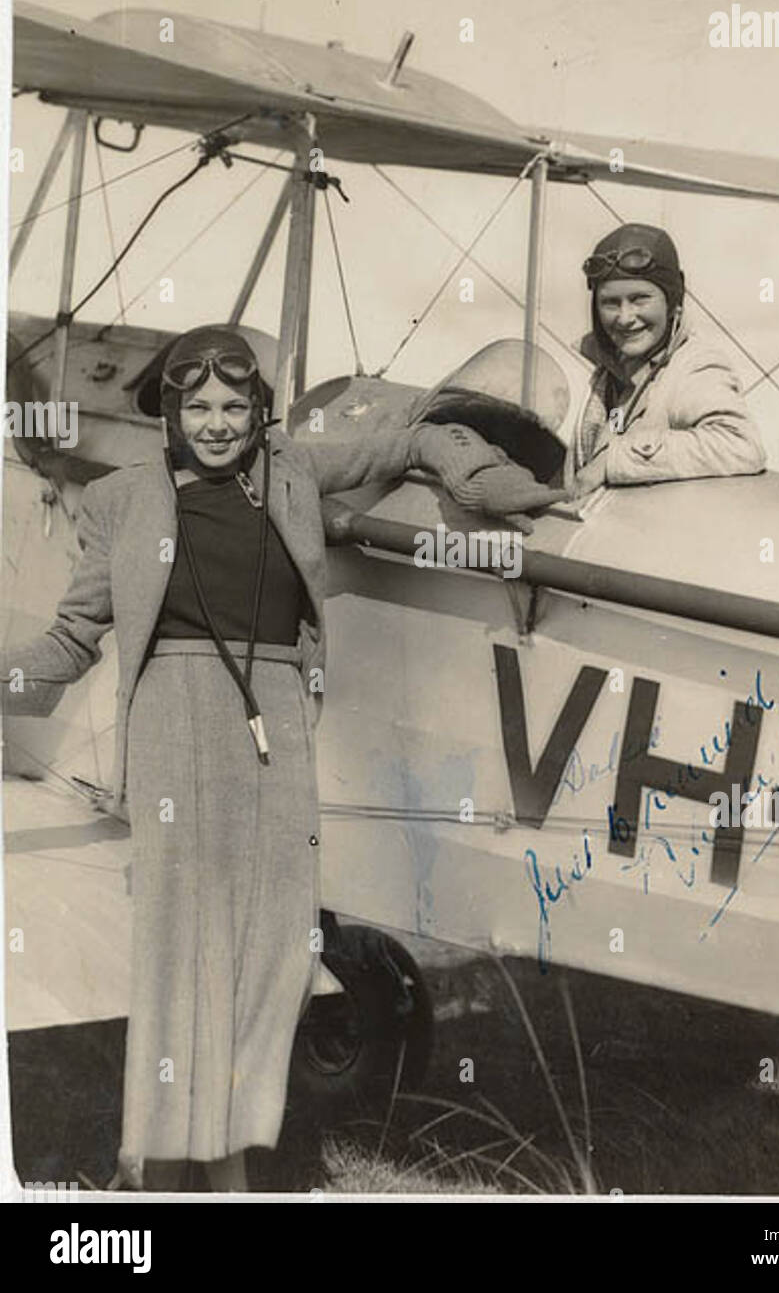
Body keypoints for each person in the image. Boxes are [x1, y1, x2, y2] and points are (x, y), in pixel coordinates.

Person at [0, 324, 563, 1192]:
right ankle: (152, 1165)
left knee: (272, 961)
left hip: (276, 732)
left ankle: (230, 1164)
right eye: (198, 407)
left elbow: (410, 432)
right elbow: (75, 635)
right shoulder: (120, 501)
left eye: (235, 406)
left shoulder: (292, 474)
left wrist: (480, 475)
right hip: (172, 728)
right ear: (170, 416)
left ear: (260, 414)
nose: (217, 423)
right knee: (178, 958)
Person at [571, 223, 766, 495]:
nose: (625, 317)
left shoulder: (695, 365)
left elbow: (741, 444)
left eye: (640, 299)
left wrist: (614, 461)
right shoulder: (610, 371)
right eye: (610, 302)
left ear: (672, 300)